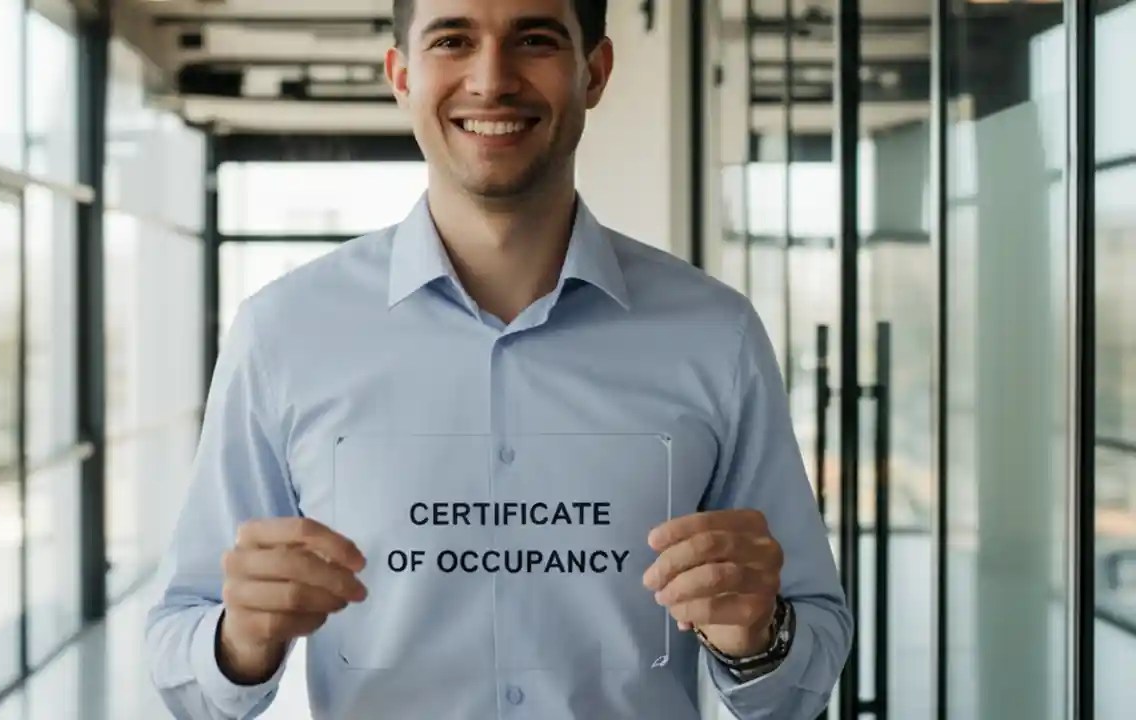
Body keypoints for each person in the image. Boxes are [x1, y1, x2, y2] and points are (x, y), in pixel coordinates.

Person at [145, 0, 852, 717]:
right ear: (402, 76)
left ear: (594, 72)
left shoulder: (716, 335)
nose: (491, 80)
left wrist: (758, 635)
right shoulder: (283, 334)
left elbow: (809, 664)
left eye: (535, 40)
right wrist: (241, 639)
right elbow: (181, 648)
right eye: (453, 40)